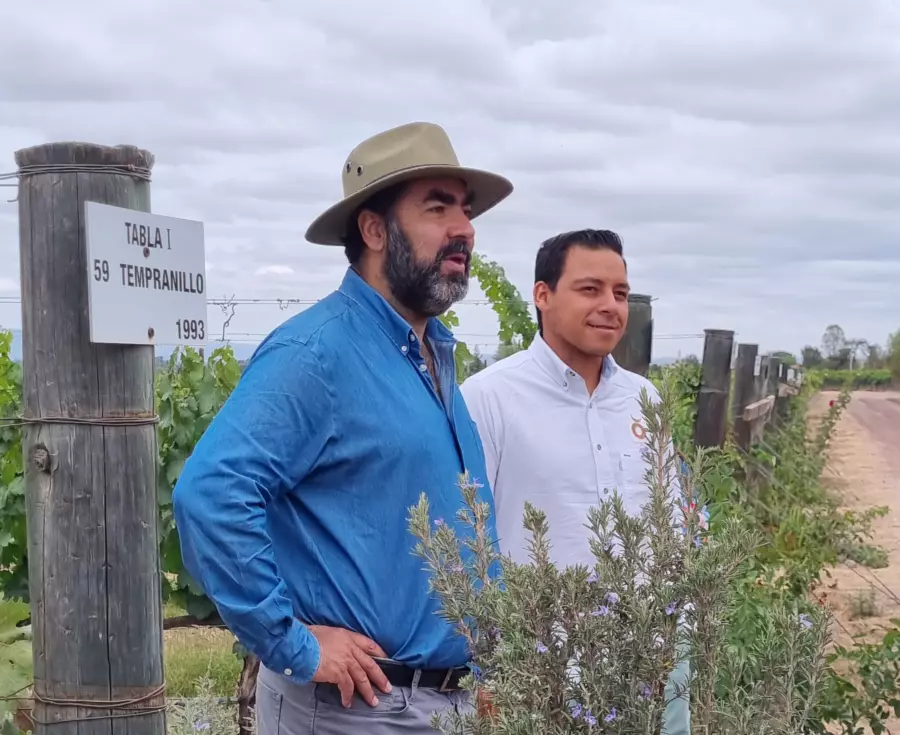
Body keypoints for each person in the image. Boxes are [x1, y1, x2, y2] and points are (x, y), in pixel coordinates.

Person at [172, 121, 514, 735]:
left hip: (443, 707)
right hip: (355, 713)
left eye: (465, 209)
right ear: (375, 229)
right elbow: (210, 493)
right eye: (438, 207)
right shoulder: (317, 353)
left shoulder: (432, 356)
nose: (463, 227)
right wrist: (293, 641)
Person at [460, 229, 691, 734]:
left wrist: (678, 641)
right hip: (542, 672)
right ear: (542, 295)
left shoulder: (646, 401)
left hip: (651, 668)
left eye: (621, 293)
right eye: (590, 289)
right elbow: (467, 542)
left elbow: (672, 527)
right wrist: (489, 669)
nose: (610, 305)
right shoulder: (487, 400)